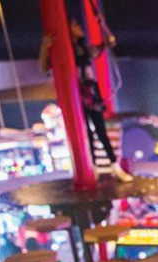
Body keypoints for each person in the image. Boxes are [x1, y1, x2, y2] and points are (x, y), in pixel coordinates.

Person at [39, 19, 132, 182]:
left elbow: (108, 43)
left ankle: (113, 166)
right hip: (75, 95)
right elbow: (44, 67)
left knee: (100, 131)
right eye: (76, 25)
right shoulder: (62, 51)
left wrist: (103, 25)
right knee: (86, 133)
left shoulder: (83, 49)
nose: (80, 28)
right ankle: (93, 167)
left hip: (90, 94)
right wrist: (45, 46)